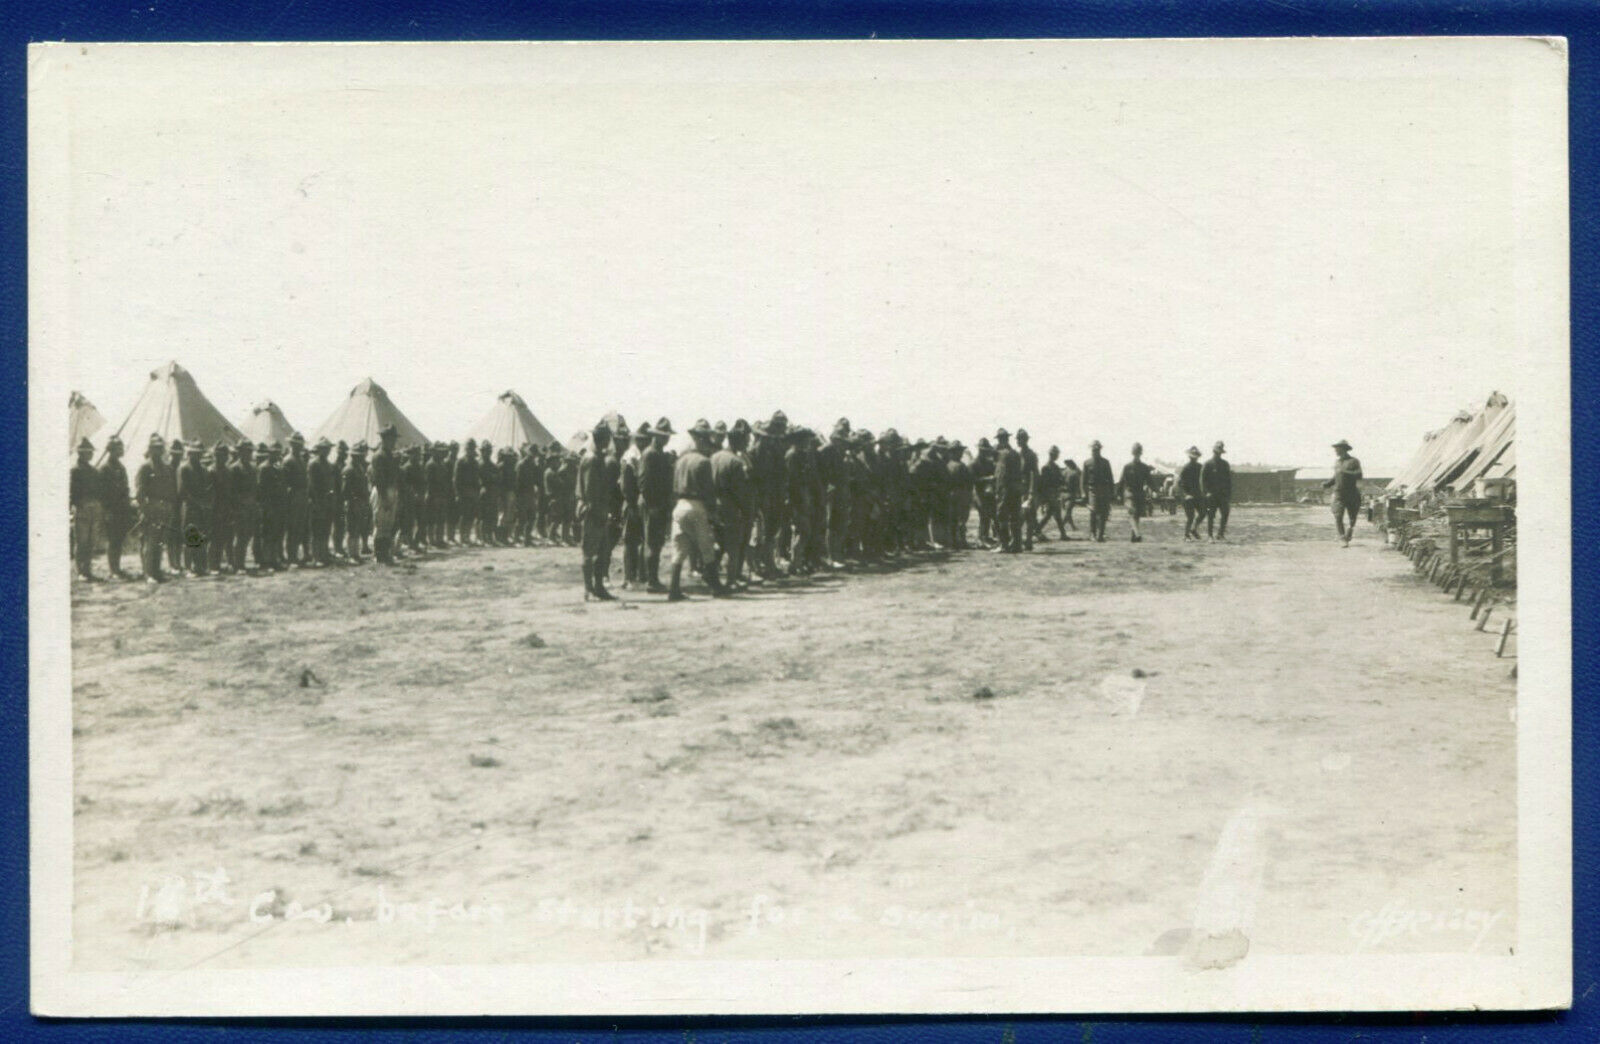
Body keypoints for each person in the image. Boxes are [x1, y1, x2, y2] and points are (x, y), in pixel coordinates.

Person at [668, 419, 728, 600]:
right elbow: (708, 491)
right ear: (701, 440)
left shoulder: (680, 460)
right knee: (706, 546)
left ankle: (674, 589)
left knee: (679, 548)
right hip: (696, 505)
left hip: (680, 504)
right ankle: (716, 586)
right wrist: (713, 513)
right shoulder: (703, 461)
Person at [712, 419, 758, 589]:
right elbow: (741, 491)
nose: (747, 442)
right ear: (738, 440)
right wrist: (747, 511)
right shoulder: (736, 461)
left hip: (716, 505)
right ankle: (732, 580)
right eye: (745, 439)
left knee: (719, 542)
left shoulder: (715, 457)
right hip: (732, 506)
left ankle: (711, 575)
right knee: (734, 544)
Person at [576, 420, 616, 600]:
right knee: (591, 551)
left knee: (601, 551)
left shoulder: (595, 457)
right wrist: (597, 511)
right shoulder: (593, 459)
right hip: (594, 510)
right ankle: (589, 588)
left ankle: (596, 587)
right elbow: (591, 489)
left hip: (597, 509)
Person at [134, 434, 176, 583]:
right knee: (150, 543)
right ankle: (149, 573)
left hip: (164, 508)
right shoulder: (145, 467)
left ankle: (157, 571)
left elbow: (171, 489)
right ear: (150, 450)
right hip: (151, 507)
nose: (158, 451)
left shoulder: (166, 468)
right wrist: (145, 510)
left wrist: (169, 507)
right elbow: (139, 492)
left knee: (160, 542)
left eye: (160, 448)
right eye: (155, 448)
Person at [640, 419, 675, 591]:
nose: (666, 439)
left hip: (659, 504)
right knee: (653, 544)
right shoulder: (651, 454)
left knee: (656, 544)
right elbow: (645, 483)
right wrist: (653, 505)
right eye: (663, 436)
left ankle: (652, 579)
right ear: (655, 436)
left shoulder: (659, 454)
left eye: (667, 436)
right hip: (654, 505)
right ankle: (651, 581)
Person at [98, 435, 132, 579]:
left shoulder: (121, 467)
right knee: (113, 540)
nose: (121, 450)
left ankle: (117, 568)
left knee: (118, 539)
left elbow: (125, 488)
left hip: (121, 509)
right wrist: (106, 510)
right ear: (111, 450)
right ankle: (113, 570)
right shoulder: (105, 469)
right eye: (118, 448)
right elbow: (101, 492)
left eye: (121, 447)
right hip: (111, 510)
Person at [176, 440, 212, 575]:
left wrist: (205, 503)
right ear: (189, 454)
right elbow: (182, 491)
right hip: (189, 507)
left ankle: (200, 566)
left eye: (199, 454)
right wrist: (198, 503)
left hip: (201, 508)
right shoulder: (184, 468)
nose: (197, 456)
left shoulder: (202, 469)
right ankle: (188, 568)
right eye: (194, 454)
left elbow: (207, 488)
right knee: (190, 537)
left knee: (201, 537)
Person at [370, 425, 402, 565]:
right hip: (382, 490)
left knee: (388, 525)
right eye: (391, 439)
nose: (393, 442)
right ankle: (378, 554)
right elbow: (378, 479)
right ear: (385, 439)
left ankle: (385, 553)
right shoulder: (379, 456)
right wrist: (384, 497)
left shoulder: (389, 455)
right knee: (381, 523)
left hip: (390, 489)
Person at [70, 438, 101, 581]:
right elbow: (72, 492)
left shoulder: (94, 471)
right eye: (87, 453)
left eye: (91, 453)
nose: (90, 455)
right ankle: (81, 571)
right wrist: (76, 505)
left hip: (94, 507)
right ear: (80, 454)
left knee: (91, 541)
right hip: (82, 507)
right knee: (82, 541)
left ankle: (87, 569)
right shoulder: (75, 471)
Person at [1324, 439, 1365, 546]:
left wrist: (1345, 472)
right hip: (1338, 494)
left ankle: (1350, 530)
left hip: (1352, 494)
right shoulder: (1337, 462)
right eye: (1335, 449)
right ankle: (1342, 538)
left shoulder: (1353, 461)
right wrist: (1328, 483)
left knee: (1352, 517)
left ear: (1344, 449)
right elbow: (1336, 477)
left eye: (1337, 448)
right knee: (1338, 515)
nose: (1335, 451)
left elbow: (1359, 474)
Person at [229, 441, 259, 573]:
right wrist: (238, 505)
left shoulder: (252, 468)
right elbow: (232, 490)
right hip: (240, 506)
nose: (248, 453)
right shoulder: (235, 468)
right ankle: (238, 564)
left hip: (251, 505)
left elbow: (255, 487)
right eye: (246, 451)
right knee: (240, 535)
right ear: (240, 452)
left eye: (250, 451)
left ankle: (242, 562)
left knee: (247, 534)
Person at [255, 443, 286, 571]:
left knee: (275, 533)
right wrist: (265, 507)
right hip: (267, 505)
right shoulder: (264, 468)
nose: (277, 455)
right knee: (267, 534)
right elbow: (260, 489)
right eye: (274, 453)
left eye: (278, 453)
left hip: (277, 504)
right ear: (269, 453)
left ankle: (273, 560)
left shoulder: (277, 467)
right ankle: (265, 562)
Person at [992, 428, 1023, 552]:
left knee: (1002, 516)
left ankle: (1004, 545)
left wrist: (997, 491)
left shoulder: (1002, 454)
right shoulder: (1015, 453)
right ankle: (1016, 544)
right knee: (1015, 517)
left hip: (1005, 490)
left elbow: (1001, 476)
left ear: (1000, 440)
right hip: (1015, 489)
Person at [1118, 442, 1156, 543]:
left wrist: (1156, 491)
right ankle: (1138, 535)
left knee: (1137, 515)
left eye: (1138, 453)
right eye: (1135, 453)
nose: (1137, 455)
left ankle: (1134, 536)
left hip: (1139, 493)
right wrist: (1117, 494)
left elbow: (1149, 480)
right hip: (1129, 493)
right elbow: (1122, 481)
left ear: (1140, 454)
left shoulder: (1144, 467)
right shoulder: (1127, 467)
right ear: (1133, 453)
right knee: (1132, 512)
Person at [307, 437, 336, 565]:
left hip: (327, 500)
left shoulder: (328, 465)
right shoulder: (314, 464)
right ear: (319, 450)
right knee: (317, 529)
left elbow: (331, 482)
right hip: (317, 500)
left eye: (328, 449)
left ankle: (324, 554)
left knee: (326, 528)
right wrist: (316, 500)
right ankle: (316, 556)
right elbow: (312, 485)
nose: (327, 451)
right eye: (324, 449)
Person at [207, 442, 234, 574]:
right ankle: (213, 565)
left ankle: (226, 562)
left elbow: (231, 490)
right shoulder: (211, 471)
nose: (220, 458)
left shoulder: (228, 471)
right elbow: (210, 493)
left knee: (226, 537)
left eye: (223, 455)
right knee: (215, 538)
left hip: (226, 507)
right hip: (215, 508)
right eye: (218, 455)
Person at [283, 433, 310, 566]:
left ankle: (295, 555)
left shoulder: (300, 460)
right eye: (296, 445)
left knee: (300, 527)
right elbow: (286, 482)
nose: (299, 447)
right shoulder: (288, 460)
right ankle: (291, 556)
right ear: (292, 445)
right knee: (293, 527)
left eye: (300, 445)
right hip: (293, 496)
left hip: (302, 496)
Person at [342, 441, 371, 563]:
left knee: (357, 528)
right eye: (358, 455)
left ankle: (356, 553)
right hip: (353, 502)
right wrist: (352, 502)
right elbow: (345, 490)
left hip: (360, 501)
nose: (361, 457)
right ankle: (351, 555)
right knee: (351, 528)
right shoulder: (349, 470)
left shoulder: (358, 468)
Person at [1081, 440, 1115, 542]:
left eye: (1097, 449)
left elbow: (1110, 478)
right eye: (1093, 450)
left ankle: (1100, 534)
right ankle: (1092, 533)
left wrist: (1112, 492)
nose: (1095, 451)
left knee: (1104, 512)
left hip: (1104, 490)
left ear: (1100, 450)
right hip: (1093, 490)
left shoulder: (1105, 462)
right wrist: (1083, 492)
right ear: (1091, 450)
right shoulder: (1087, 463)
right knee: (1093, 511)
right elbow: (1083, 480)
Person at [1034, 446, 1068, 541]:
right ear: (1052, 455)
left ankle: (1037, 530)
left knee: (1054, 514)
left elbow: (1060, 479)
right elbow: (1045, 482)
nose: (1057, 456)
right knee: (1054, 513)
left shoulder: (1055, 467)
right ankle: (1037, 530)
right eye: (1056, 454)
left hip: (1054, 492)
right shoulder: (1046, 467)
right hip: (1049, 493)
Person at [1201, 440, 1233, 540]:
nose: (1218, 454)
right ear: (1213, 452)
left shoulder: (1225, 464)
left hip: (1222, 495)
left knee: (1225, 513)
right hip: (1211, 495)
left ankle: (1220, 534)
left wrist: (1228, 494)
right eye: (1216, 452)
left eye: (1219, 452)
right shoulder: (1208, 464)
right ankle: (1210, 536)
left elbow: (1228, 480)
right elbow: (1202, 480)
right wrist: (1206, 493)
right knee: (1211, 515)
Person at [946, 439, 973, 550]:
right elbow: (969, 482)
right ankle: (962, 541)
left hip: (950, 494)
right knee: (961, 519)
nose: (961, 453)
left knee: (953, 519)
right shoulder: (961, 466)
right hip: (961, 495)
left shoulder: (947, 465)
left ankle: (953, 542)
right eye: (958, 451)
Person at [1015, 428, 1039, 551]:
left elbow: (1033, 474)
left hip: (1027, 489)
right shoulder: (1017, 454)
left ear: (1026, 440)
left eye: (1021, 439)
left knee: (1028, 515)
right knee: (1018, 515)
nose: (1019, 441)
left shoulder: (1031, 455)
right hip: (1017, 489)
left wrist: (1031, 492)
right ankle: (1019, 540)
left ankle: (1028, 541)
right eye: (1018, 439)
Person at [970, 438, 997, 548]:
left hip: (989, 493)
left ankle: (984, 537)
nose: (985, 452)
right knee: (983, 515)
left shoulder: (989, 463)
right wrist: (987, 479)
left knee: (988, 515)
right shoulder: (974, 464)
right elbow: (973, 480)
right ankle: (981, 539)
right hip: (979, 493)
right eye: (983, 450)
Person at [455, 438, 480, 547]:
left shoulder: (475, 462)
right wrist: (458, 494)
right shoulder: (461, 462)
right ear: (466, 449)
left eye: (472, 448)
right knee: (464, 515)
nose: (471, 450)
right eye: (469, 448)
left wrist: (477, 491)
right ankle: (462, 537)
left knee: (471, 515)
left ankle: (468, 536)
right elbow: (456, 479)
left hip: (473, 492)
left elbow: (477, 478)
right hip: (463, 492)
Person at [1177, 445, 1204, 540]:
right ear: (1189, 457)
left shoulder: (1201, 467)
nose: (1194, 458)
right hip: (1188, 496)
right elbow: (1180, 483)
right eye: (1192, 456)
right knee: (1190, 516)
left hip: (1198, 495)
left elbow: (1204, 480)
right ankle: (1186, 535)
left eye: (1196, 456)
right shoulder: (1186, 468)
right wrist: (1185, 495)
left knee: (1203, 512)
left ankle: (1194, 529)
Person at [330, 441, 348, 557]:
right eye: (341, 451)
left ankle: (340, 546)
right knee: (337, 524)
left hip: (343, 497)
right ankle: (337, 548)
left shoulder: (345, 465)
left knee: (341, 524)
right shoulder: (334, 465)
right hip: (336, 497)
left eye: (345, 451)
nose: (344, 454)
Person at [1060, 458, 1081, 532]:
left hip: (1067, 494)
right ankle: (1070, 527)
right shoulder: (1073, 471)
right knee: (1068, 512)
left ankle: (1062, 526)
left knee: (1067, 512)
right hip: (1067, 494)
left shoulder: (1066, 471)